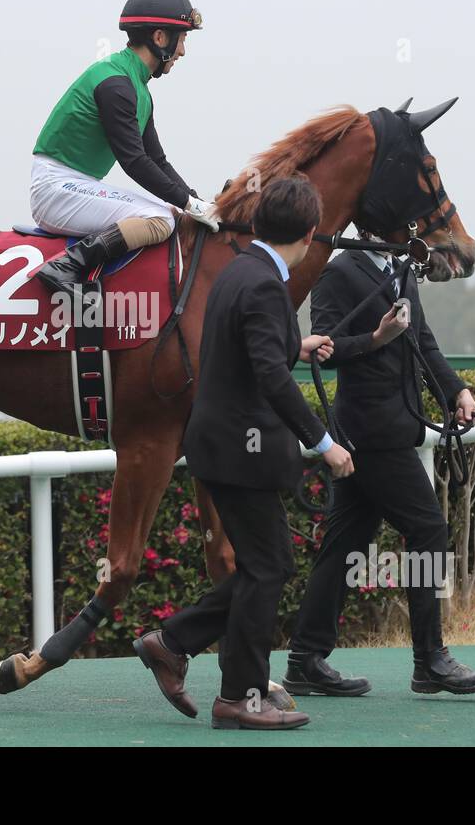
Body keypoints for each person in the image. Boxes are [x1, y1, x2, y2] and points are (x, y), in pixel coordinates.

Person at [133, 175, 353, 730]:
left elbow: (245, 348)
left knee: (262, 567)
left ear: (256, 225)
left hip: (222, 447)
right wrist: (324, 443)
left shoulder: (240, 271)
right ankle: (238, 697)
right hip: (240, 453)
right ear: (310, 234)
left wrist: (290, 343)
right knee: (268, 568)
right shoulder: (264, 285)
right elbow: (272, 381)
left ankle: (175, 643)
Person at [283, 230, 475, 697]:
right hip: (371, 433)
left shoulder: (402, 268)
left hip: (388, 429)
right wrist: (379, 337)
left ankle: (304, 660)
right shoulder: (338, 272)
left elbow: (422, 341)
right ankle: (430, 660)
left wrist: (456, 390)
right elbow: (327, 350)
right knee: (428, 529)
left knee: (345, 542)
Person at [30, 0, 221, 298]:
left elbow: (158, 161)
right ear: (160, 37)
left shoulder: (137, 87)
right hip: (56, 188)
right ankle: (65, 266)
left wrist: (196, 203)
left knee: (171, 211)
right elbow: (134, 161)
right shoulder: (117, 84)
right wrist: (189, 204)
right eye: (182, 39)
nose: (183, 51)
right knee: (160, 218)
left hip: (73, 184)